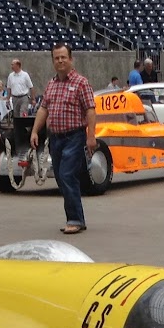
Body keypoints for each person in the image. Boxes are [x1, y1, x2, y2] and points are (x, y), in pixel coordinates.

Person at [29, 42, 96, 235]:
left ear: (71, 59)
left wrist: (91, 136)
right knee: (61, 177)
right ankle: (77, 217)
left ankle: (74, 219)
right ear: (53, 61)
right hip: (55, 138)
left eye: (63, 57)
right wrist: (35, 131)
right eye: (56, 58)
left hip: (74, 136)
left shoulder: (81, 83)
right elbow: (43, 109)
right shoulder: (52, 84)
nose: (60, 61)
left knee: (67, 174)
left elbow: (90, 110)